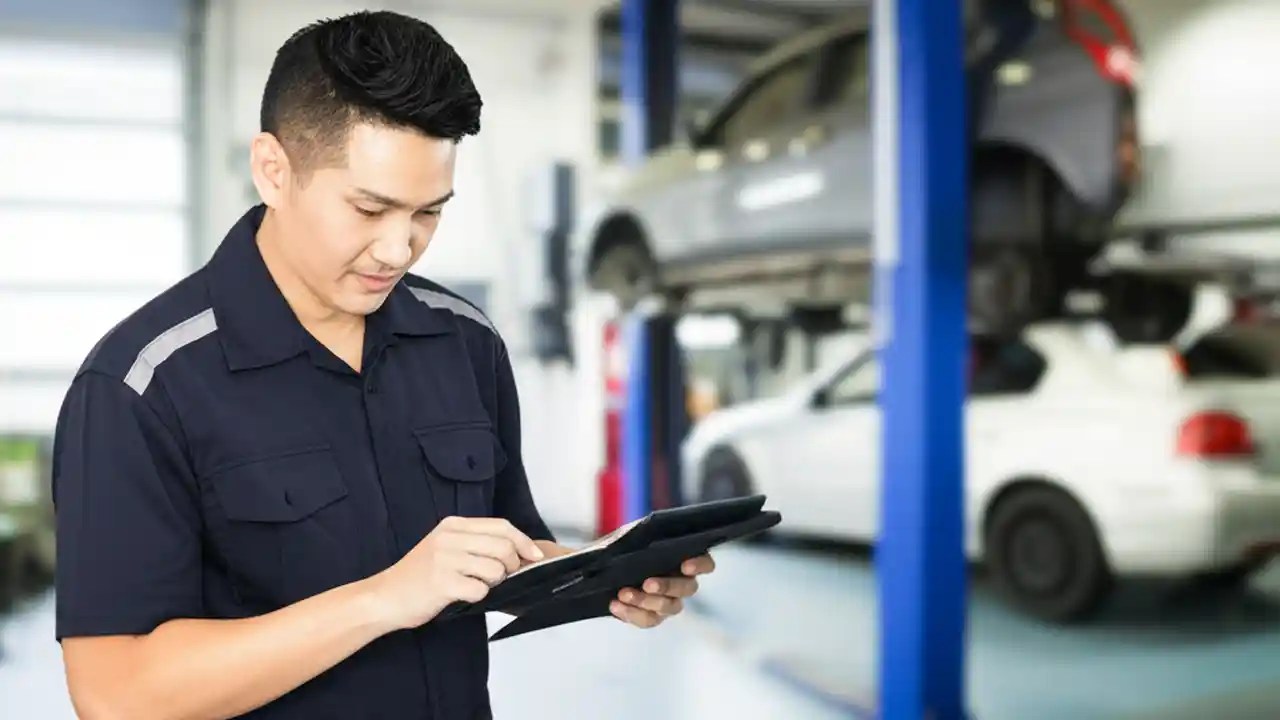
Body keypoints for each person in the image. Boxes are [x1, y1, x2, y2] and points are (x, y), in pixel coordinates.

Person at [51, 11, 714, 719]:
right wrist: (383, 598)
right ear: (273, 170)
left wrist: (603, 575)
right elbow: (115, 694)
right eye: (370, 209)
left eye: (429, 211)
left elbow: (502, 556)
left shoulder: (464, 342)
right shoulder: (141, 386)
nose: (400, 249)